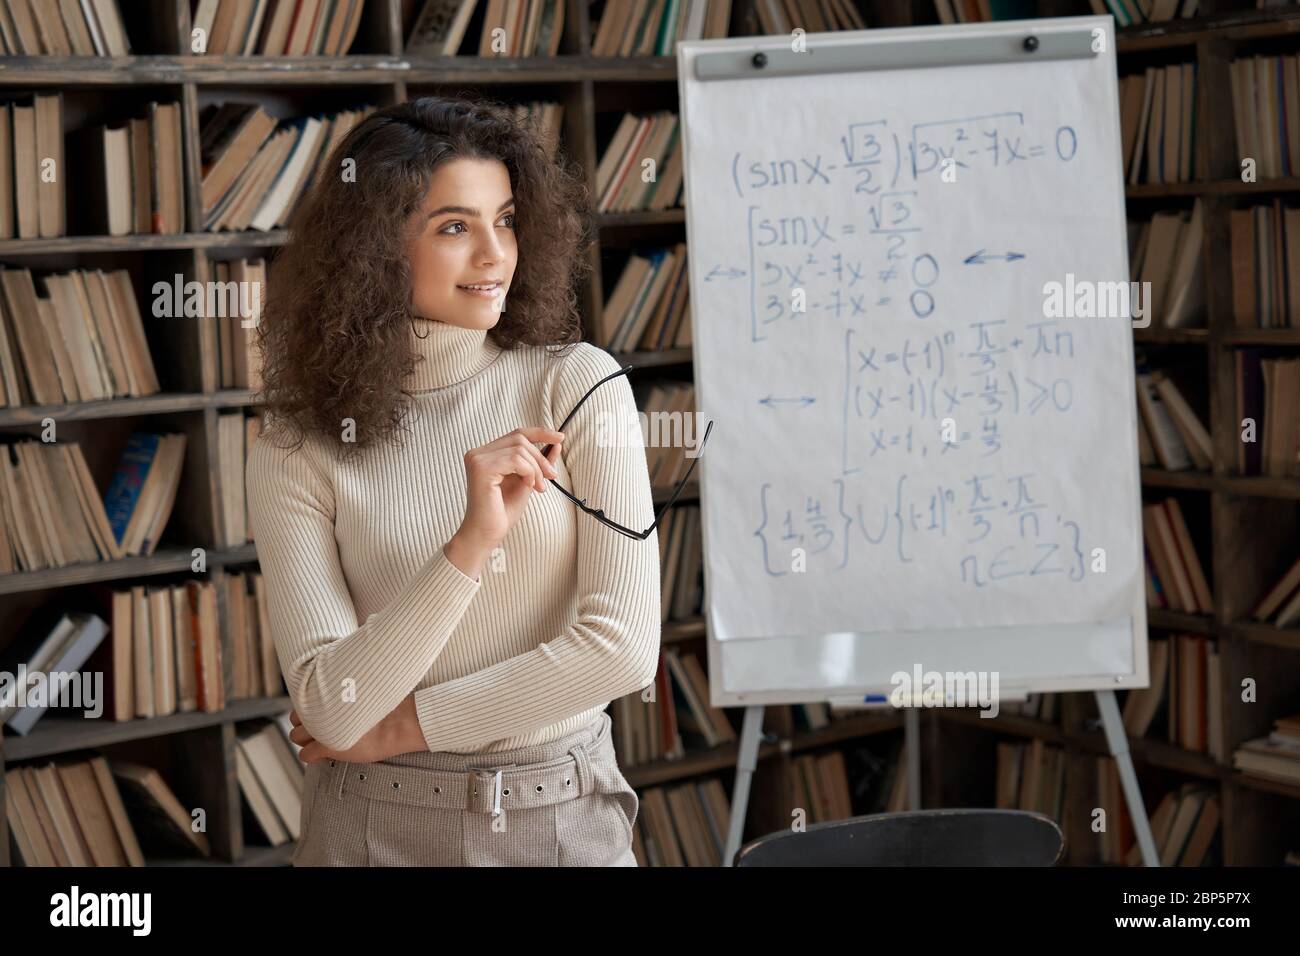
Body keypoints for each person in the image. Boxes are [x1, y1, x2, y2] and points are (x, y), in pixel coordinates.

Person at [245, 96, 661, 866]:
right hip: (364, 829)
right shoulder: (294, 444)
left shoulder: (577, 387)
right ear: (372, 248)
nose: (495, 254)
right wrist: (470, 544)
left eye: (504, 220)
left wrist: (401, 726)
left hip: (556, 821)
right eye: (454, 227)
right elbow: (330, 709)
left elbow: (623, 650)